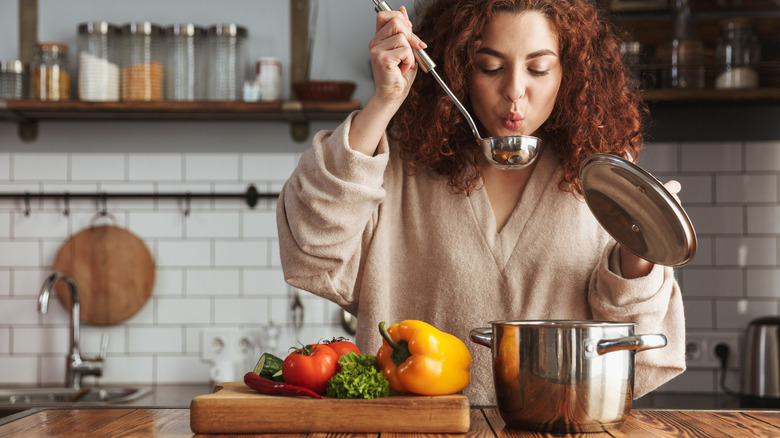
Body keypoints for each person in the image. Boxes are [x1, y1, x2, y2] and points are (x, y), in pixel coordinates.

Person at [277, 0, 685, 406]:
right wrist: (384, 102)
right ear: (457, 68)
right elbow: (312, 248)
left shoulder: (601, 175)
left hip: (557, 430)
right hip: (415, 432)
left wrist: (640, 255)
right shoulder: (400, 164)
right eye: (490, 67)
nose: (514, 91)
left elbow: (633, 344)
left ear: (570, 72)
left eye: (538, 69)